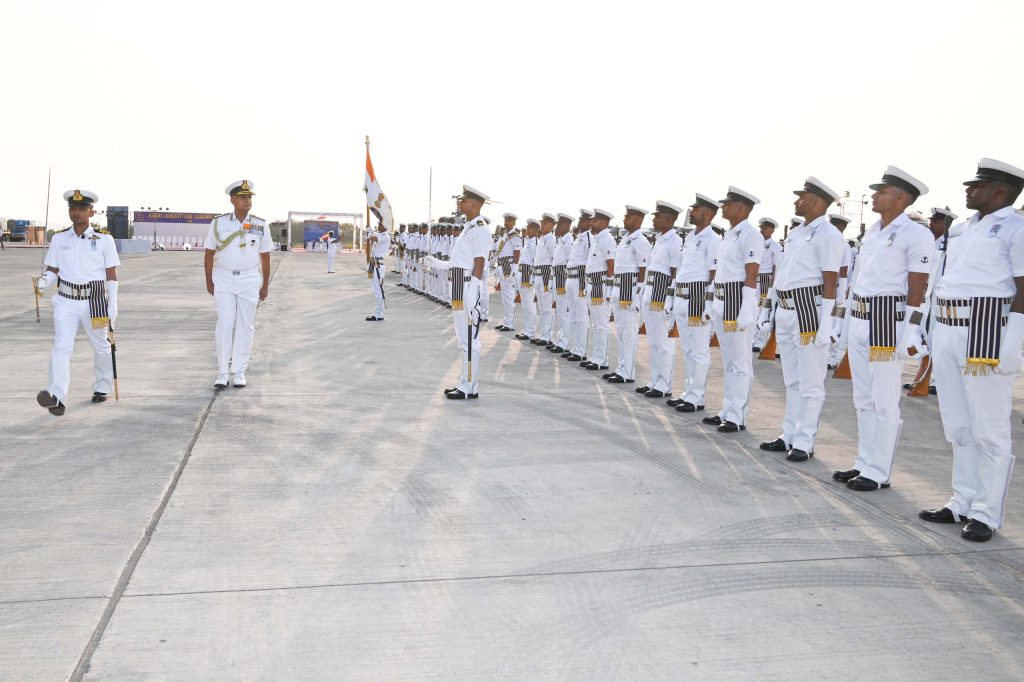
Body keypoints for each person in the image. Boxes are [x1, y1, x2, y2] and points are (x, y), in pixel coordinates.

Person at [918, 159, 1024, 542]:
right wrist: (928, 329)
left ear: (1000, 191)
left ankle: (986, 512)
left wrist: (1013, 341)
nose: (968, 190)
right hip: (948, 327)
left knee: (989, 428)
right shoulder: (962, 229)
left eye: (976, 186)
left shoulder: (1017, 228)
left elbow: (1022, 286)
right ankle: (961, 499)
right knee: (959, 425)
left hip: (985, 333)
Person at [832, 166, 933, 491]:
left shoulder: (916, 234)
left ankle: (879, 471)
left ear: (901, 197)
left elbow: (918, 287)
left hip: (889, 320)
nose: (874, 195)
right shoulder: (874, 231)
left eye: (882, 191)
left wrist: (912, 328)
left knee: (885, 399)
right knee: (863, 397)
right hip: (862, 317)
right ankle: (863, 462)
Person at [758, 177, 845, 462]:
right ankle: (789, 435)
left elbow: (831, 282)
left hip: (809, 309)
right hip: (786, 308)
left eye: (802, 197)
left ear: (817, 202)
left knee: (810, 382)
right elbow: (781, 274)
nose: (797, 202)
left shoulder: (829, 235)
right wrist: (768, 309)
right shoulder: (797, 233)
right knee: (792, 379)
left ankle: (805, 441)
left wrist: (827, 324)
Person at [34, 189, 120, 415]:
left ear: (91, 211)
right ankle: (56, 397)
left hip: (95, 299)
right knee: (61, 348)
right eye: (72, 208)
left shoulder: (104, 239)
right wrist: (44, 282)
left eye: (81, 208)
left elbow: (111, 274)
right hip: (65, 300)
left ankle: (102, 386)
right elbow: (53, 269)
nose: (76, 212)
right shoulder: (60, 238)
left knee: (101, 345)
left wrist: (113, 304)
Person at [702, 187, 763, 433]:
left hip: (738, 299)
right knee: (728, 361)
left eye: (728, 204)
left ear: (741, 207)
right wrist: (712, 302)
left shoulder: (751, 235)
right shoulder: (729, 235)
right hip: (723, 298)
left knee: (740, 362)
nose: (723, 208)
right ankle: (727, 410)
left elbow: (752, 273)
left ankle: (738, 416)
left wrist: (747, 308)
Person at [202, 180, 272, 389]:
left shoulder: (260, 224)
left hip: (250, 279)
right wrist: (208, 279)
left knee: (245, 324)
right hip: (223, 278)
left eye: (249, 197)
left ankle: (239, 370)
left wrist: (265, 285)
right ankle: (222, 371)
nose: (247, 201)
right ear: (232, 200)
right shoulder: (219, 223)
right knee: (225, 322)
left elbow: (266, 257)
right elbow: (209, 252)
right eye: (243, 197)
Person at [668, 193, 722, 412]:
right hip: (683, 295)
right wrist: (671, 297)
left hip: (699, 297)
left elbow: (714, 274)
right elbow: (682, 270)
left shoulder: (713, 240)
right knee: (688, 349)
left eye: (695, 209)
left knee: (699, 349)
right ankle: (688, 392)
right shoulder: (690, 238)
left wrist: (708, 304)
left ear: (707, 214)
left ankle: (696, 397)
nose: (691, 212)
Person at [442, 185, 492, 400]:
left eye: (463, 200)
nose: (459, 203)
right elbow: (459, 262)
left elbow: (479, 263)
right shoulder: (468, 228)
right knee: (463, 338)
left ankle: (468, 386)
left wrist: (473, 290)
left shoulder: (480, 228)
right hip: (458, 285)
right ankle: (467, 383)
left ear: (474, 203)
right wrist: (438, 264)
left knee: (470, 339)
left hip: (467, 286)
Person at [637, 201, 683, 397]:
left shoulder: (675, 241)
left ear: (668, 219)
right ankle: (654, 380)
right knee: (654, 342)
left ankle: (664, 385)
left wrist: (670, 300)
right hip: (651, 291)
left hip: (662, 295)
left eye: (657, 216)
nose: (653, 219)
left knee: (664, 342)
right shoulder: (660, 239)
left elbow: (675, 273)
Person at [605, 205, 650, 384]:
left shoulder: (641, 241)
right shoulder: (625, 239)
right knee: (622, 332)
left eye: (629, 217)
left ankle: (627, 372)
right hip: (620, 288)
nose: (625, 219)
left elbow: (643, 269)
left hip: (630, 291)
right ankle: (621, 368)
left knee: (629, 332)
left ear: (638, 220)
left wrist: (637, 295)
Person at [581, 208, 617, 370]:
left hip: (601, 286)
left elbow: (611, 266)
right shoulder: (596, 239)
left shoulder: (607, 239)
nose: (591, 223)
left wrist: (609, 289)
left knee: (601, 324)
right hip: (592, 284)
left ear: (603, 223)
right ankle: (596, 357)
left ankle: (602, 360)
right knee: (596, 323)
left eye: (594, 221)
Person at [564, 211, 594, 362]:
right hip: (571, 278)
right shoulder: (578, 237)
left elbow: (589, 261)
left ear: (589, 222)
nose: (579, 223)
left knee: (581, 317)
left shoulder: (589, 238)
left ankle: (581, 351)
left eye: (583, 220)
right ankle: (575, 348)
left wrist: (585, 284)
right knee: (573, 316)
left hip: (580, 280)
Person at [752, 218, 782, 351]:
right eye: (761, 227)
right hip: (753, 281)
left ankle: (760, 341)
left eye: (765, 228)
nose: (762, 230)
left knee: (763, 312)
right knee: (752, 310)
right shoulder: (755, 243)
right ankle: (752, 338)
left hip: (766, 282)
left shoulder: (776, 247)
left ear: (772, 230)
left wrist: (772, 287)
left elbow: (776, 268)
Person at [550, 213, 575, 353]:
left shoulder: (569, 241)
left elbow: (569, 263)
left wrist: (565, 283)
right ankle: (559, 340)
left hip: (564, 279)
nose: (557, 227)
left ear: (567, 226)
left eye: (559, 225)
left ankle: (564, 342)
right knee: (559, 311)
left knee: (564, 312)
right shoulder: (560, 240)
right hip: (557, 278)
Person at [494, 214, 522, 332]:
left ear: (514, 223)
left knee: (509, 296)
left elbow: (516, 254)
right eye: (505, 220)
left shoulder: (515, 237)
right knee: (504, 297)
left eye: (509, 221)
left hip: (509, 267)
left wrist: (514, 270)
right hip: (502, 266)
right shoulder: (505, 235)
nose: (506, 223)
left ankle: (510, 324)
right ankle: (506, 321)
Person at [533, 213, 557, 346]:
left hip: (546, 275)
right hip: (538, 275)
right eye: (542, 223)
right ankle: (542, 334)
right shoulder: (542, 239)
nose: (542, 225)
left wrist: (551, 280)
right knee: (541, 307)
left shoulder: (551, 239)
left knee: (547, 308)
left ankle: (547, 336)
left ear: (551, 225)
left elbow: (554, 259)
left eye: (545, 223)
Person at [514, 219, 539, 342]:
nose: (528, 230)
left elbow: (536, 261)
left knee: (529, 304)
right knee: (525, 305)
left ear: (536, 230)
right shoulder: (528, 241)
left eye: (530, 228)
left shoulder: (535, 243)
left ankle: (531, 331)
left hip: (528, 276)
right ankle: (527, 329)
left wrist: (533, 279)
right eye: (527, 227)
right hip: (522, 273)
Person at [366, 221, 391, 321]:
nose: (378, 226)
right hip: (373, 264)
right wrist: (370, 231)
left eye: (380, 224)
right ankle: (377, 313)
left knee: (378, 290)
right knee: (375, 288)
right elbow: (370, 237)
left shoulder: (385, 236)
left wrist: (369, 231)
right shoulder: (380, 234)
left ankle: (379, 314)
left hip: (378, 266)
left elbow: (372, 238)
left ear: (385, 226)